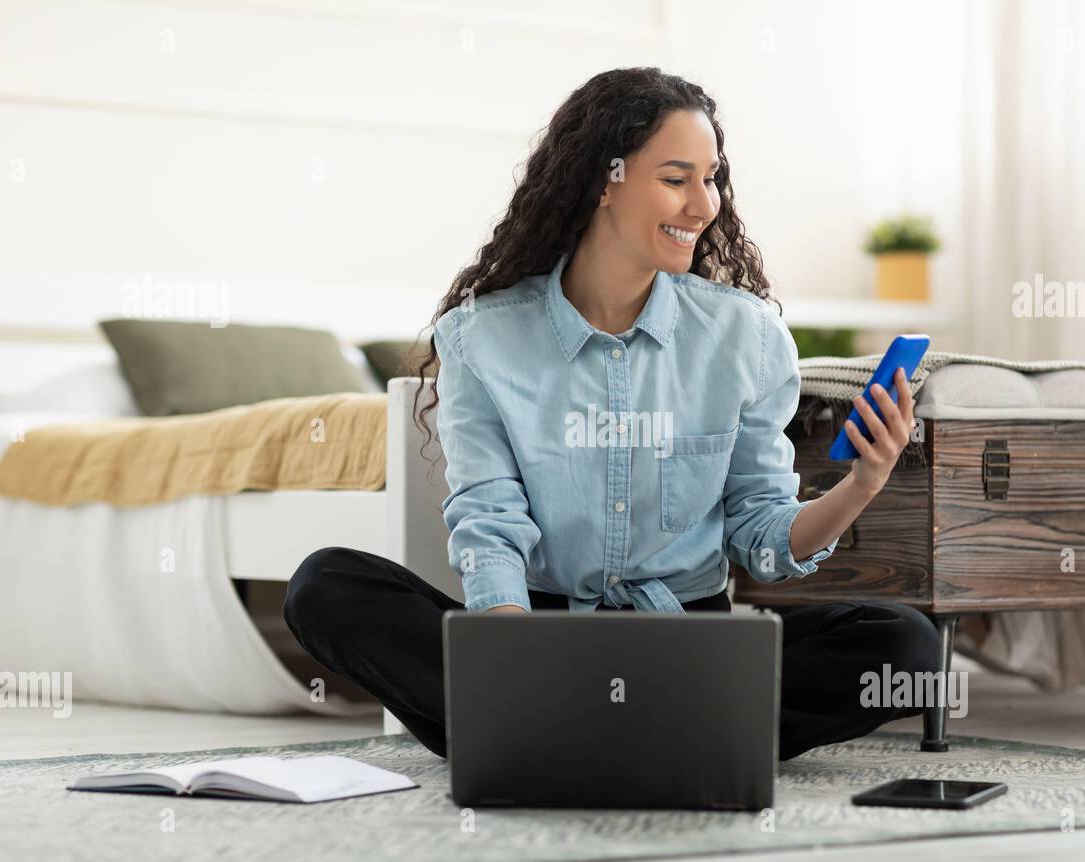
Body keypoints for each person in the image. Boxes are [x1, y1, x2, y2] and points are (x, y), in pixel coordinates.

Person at [284, 67, 939, 761]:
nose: (703, 205)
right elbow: (490, 526)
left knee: (904, 646)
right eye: (677, 178)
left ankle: (538, 738)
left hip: (688, 651)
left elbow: (762, 539)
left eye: (711, 178)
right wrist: (518, 658)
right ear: (606, 178)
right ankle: (650, 734)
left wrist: (862, 484)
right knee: (326, 585)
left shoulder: (745, 337)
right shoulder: (484, 337)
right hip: (538, 644)